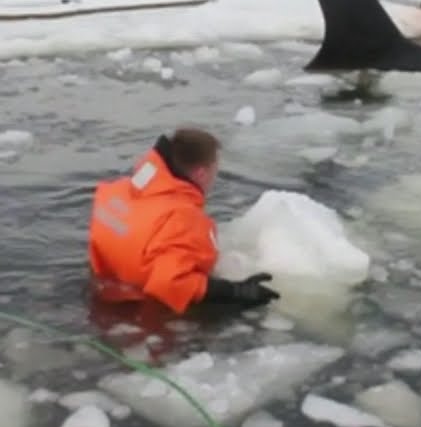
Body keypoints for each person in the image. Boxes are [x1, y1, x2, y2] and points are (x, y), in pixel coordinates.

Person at [87, 127, 281, 317]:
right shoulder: (185, 220)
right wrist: (235, 291)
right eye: (214, 170)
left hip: (99, 294)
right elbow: (167, 283)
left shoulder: (117, 191)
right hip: (143, 314)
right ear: (201, 174)